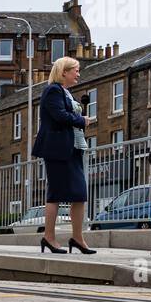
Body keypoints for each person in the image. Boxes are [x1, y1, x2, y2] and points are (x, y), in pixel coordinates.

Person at [31, 57, 94, 254]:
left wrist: (79, 120)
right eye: (75, 70)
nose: (78, 74)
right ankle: (48, 238)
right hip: (57, 149)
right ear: (64, 72)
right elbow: (59, 116)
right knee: (56, 193)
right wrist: (81, 120)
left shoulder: (66, 92)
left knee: (80, 194)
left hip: (72, 148)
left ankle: (77, 238)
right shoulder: (53, 90)